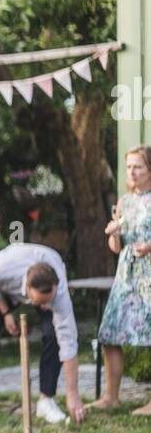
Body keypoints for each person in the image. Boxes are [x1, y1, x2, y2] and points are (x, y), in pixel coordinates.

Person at [0, 241, 86, 425]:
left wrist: (73, 394)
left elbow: (69, 341)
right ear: (27, 290)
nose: (44, 307)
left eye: (48, 301)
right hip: (3, 290)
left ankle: (46, 401)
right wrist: (6, 312)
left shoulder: (58, 292)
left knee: (55, 335)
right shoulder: (0, 269)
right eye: (40, 302)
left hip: (43, 284)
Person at [92, 145, 151, 416]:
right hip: (126, 276)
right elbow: (116, 247)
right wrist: (114, 233)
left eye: (138, 166)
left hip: (149, 276)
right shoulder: (125, 201)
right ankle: (111, 397)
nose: (132, 172)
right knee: (109, 332)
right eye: (128, 167)